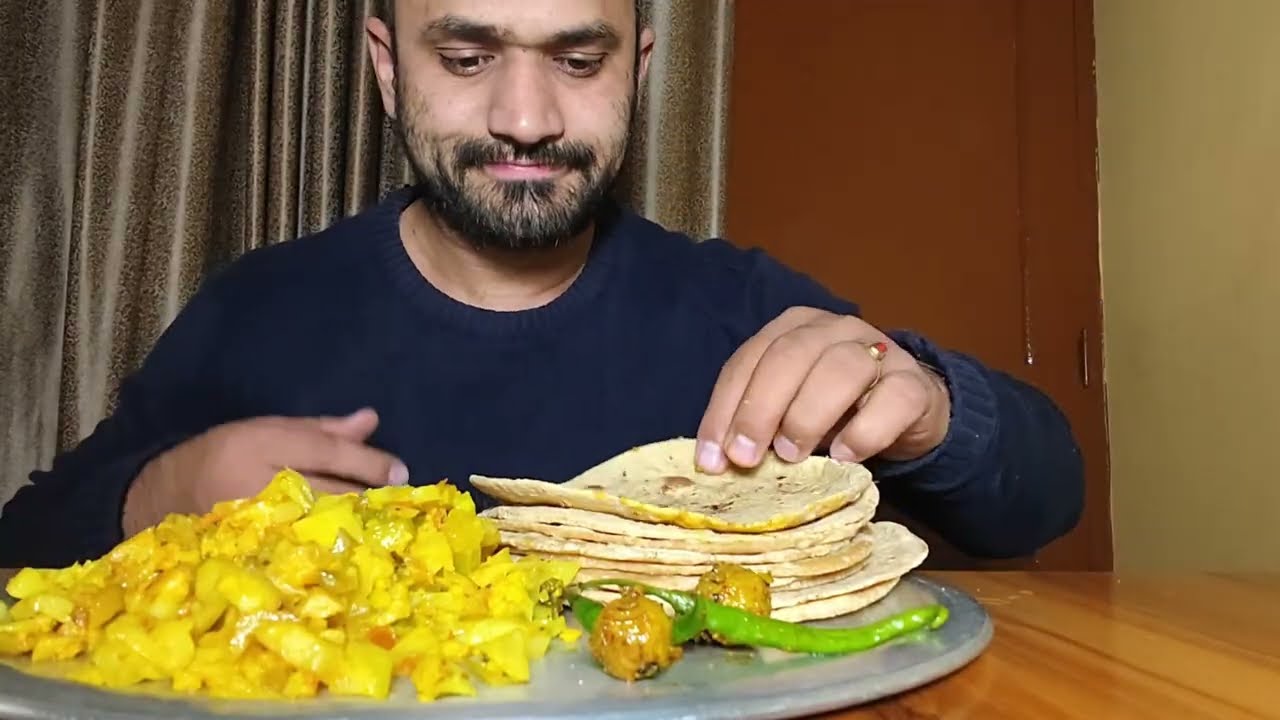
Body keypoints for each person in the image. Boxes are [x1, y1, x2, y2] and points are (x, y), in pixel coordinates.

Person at [0, 0, 1083, 569]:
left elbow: (1044, 503)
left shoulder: (733, 309)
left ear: (639, 68)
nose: (526, 119)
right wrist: (162, 497)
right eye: (467, 58)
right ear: (387, 68)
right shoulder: (256, 312)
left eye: (577, 60)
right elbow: (25, 541)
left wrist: (932, 409)